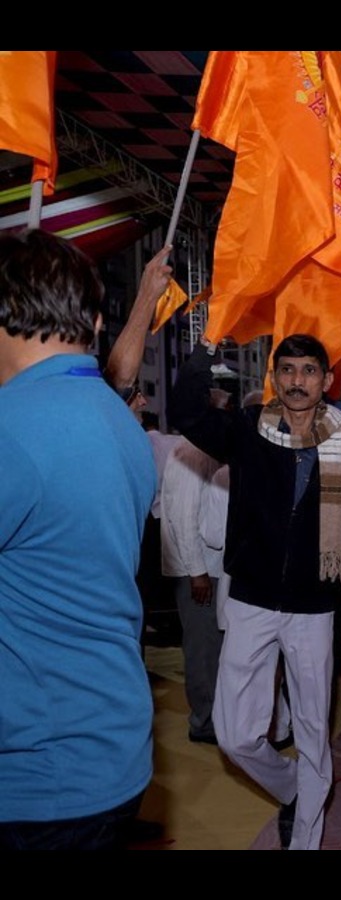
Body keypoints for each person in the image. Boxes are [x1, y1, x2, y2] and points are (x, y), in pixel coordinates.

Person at [172, 333, 341, 850]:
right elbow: (186, 411)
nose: (297, 381)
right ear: (273, 376)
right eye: (287, 370)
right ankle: (293, 789)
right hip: (251, 600)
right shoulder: (248, 428)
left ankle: (307, 832)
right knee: (235, 733)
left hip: (314, 607)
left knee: (312, 731)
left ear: (326, 381)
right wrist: (207, 345)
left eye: (309, 371)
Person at [0, 229, 157, 848]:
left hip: (38, 770)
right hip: (110, 744)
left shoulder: (14, 427)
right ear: (89, 318)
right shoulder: (116, 419)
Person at [160, 392, 230, 745]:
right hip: (199, 569)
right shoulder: (191, 451)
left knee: (213, 647)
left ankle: (214, 717)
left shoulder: (206, 450)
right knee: (202, 649)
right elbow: (183, 517)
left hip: (208, 566)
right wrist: (196, 571)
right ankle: (203, 722)